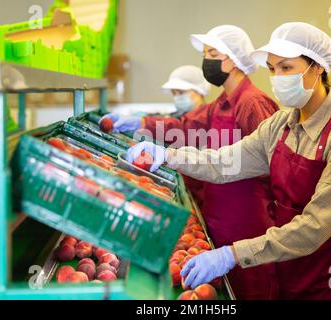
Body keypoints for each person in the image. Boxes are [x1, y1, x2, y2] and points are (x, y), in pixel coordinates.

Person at [126, 22, 331, 300]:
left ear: (318, 67)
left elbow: (315, 227)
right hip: (288, 263)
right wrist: (168, 155)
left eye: (287, 67)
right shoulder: (279, 125)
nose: (277, 77)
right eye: (272, 68)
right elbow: (225, 162)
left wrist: (233, 254)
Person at [107, 25, 280, 299]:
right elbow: (184, 126)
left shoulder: (252, 103)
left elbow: (275, 165)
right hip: (219, 218)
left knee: (252, 289)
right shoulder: (221, 103)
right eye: (205, 53)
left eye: (213, 53)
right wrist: (140, 123)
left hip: (247, 223)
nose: (206, 60)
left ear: (234, 60)